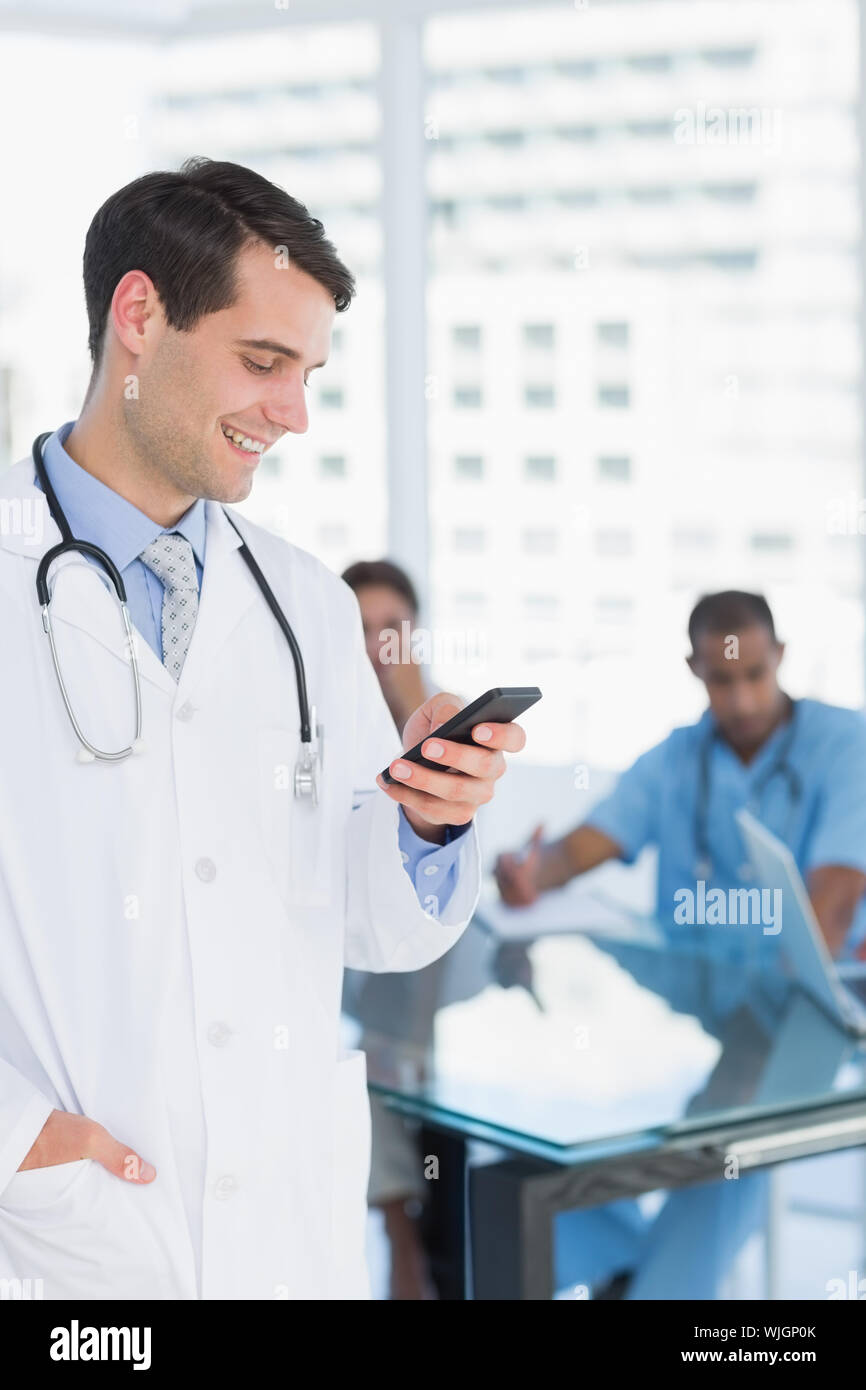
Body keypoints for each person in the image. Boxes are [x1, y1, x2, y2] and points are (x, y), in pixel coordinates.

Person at [0, 157, 527, 1301]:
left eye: (309, 373)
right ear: (138, 316)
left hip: (282, 1235)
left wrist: (425, 826)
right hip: (61, 1241)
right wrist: (16, 1136)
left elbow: (366, 924)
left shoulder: (302, 602)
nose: (293, 414)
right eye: (262, 361)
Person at [495, 590, 866, 1299]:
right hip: (701, 1019)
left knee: (728, 1143)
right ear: (694, 669)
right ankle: (634, 1274)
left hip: (813, 1017)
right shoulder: (677, 758)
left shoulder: (843, 742)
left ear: (781, 657)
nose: (744, 698)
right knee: (570, 1134)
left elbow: (831, 913)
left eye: (756, 674)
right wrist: (528, 873)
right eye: (722, 679)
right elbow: (578, 851)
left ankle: (638, 1282)